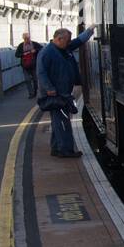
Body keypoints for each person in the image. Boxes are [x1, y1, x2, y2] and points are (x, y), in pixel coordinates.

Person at [36, 26, 95, 158]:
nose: (69, 43)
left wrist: (89, 31)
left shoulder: (62, 48)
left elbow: (77, 41)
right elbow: (41, 73)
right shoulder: (47, 52)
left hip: (61, 92)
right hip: (56, 94)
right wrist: (49, 88)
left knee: (58, 121)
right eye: (67, 41)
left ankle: (56, 147)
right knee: (63, 121)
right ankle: (66, 150)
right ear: (59, 39)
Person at [14, 32, 43, 99]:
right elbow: (16, 55)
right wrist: (23, 54)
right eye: (26, 38)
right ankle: (31, 94)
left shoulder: (34, 44)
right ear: (23, 39)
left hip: (34, 65)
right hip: (25, 66)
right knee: (27, 80)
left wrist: (35, 51)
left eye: (28, 38)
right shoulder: (21, 45)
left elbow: (42, 48)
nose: (27, 39)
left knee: (35, 79)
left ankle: (35, 90)